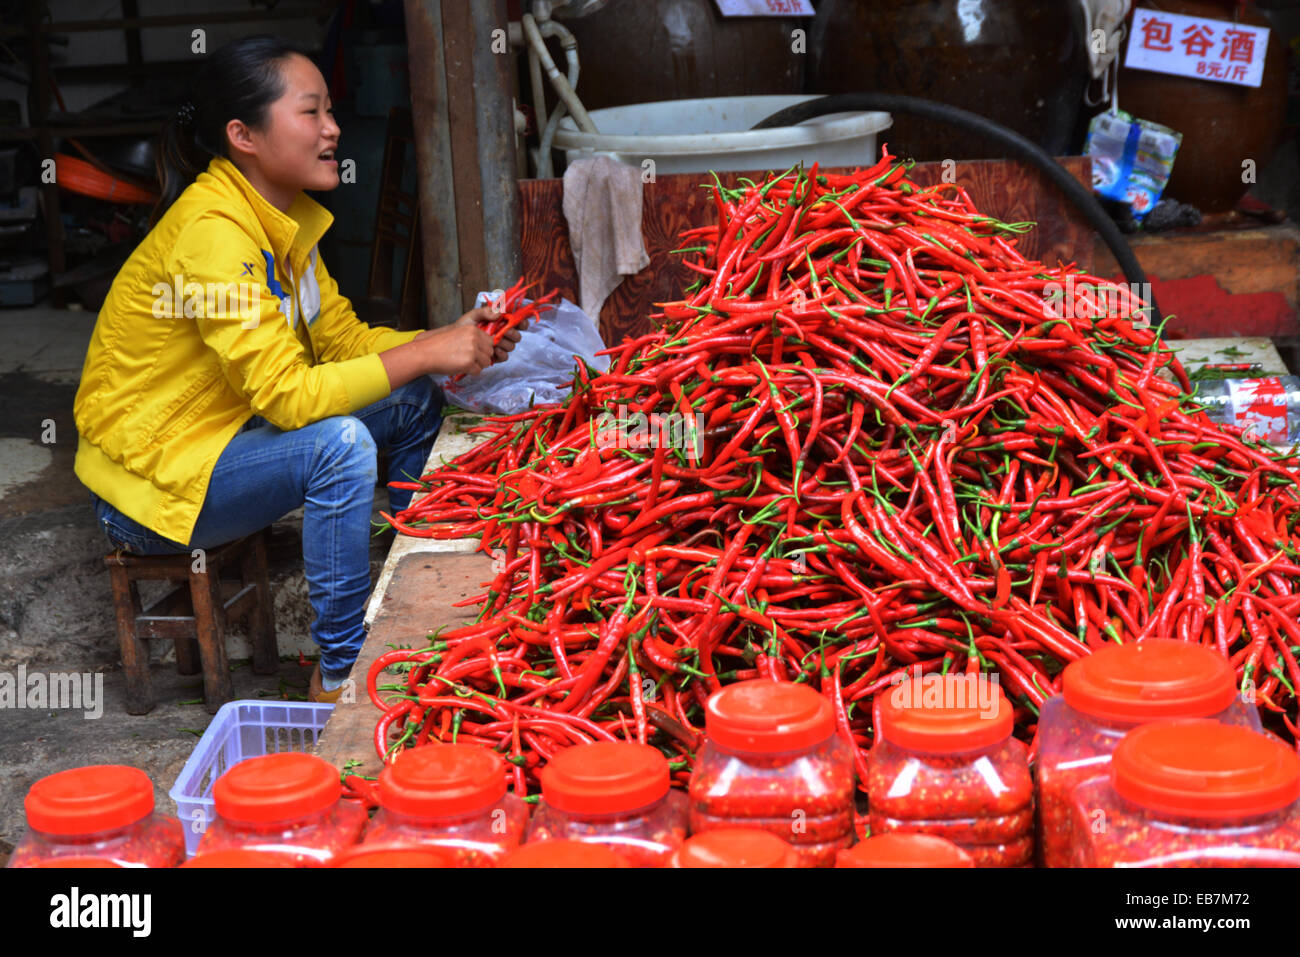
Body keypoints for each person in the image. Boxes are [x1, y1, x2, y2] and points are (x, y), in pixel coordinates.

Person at [73, 35, 520, 702]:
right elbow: (288, 399)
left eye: (330, 112)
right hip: (153, 488)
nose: (333, 129)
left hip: (218, 447)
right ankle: (339, 669)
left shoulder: (281, 225)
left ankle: (415, 597)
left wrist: (442, 338)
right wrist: (427, 351)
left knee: (411, 397)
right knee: (336, 447)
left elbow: (341, 342)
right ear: (243, 135)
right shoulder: (214, 235)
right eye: (311, 113)